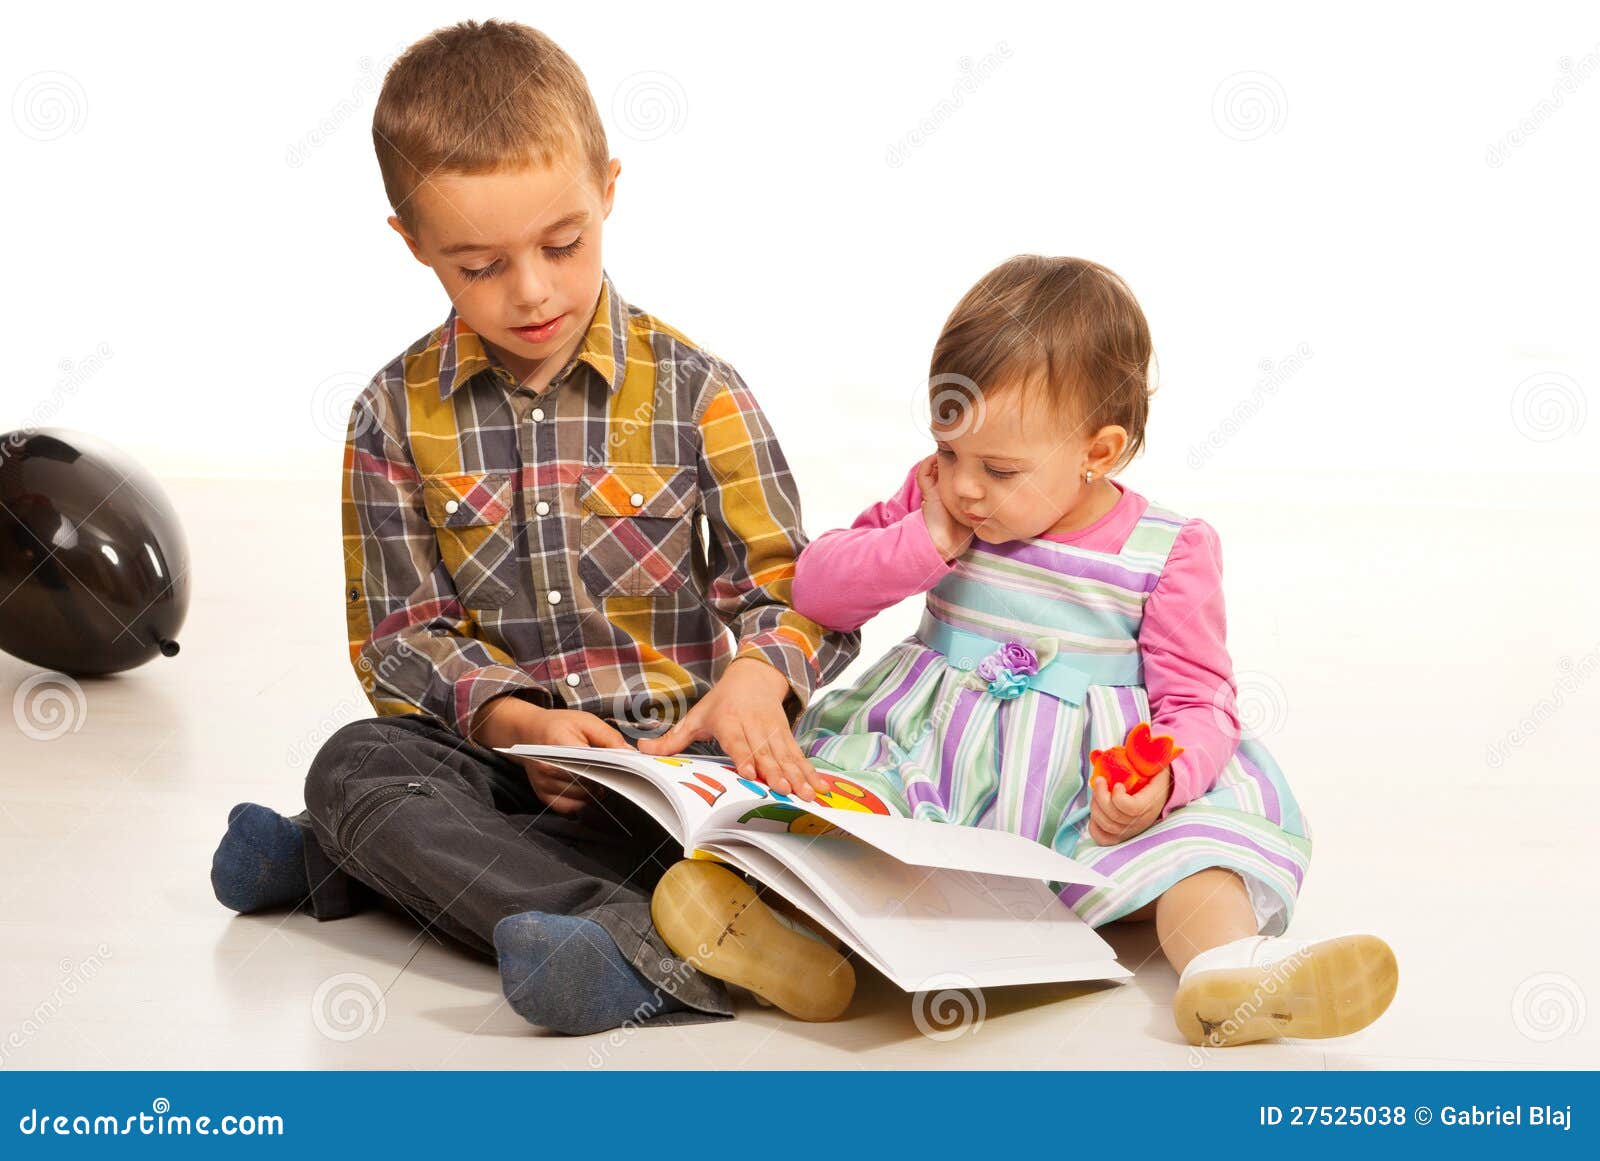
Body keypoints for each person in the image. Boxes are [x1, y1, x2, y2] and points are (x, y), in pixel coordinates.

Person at [209, 18, 860, 1035]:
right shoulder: (391, 412)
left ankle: (354, 862)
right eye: (478, 265)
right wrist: (518, 728)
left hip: (672, 779)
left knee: (799, 829)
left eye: (563, 244)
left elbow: (802, 592)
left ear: (607, 187)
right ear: (412, 242)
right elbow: (398, 640)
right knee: (357, 762)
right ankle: (629, 944)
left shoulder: (698, 393)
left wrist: (755, 676)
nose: (532, 290)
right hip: (502, 769)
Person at [778, 254, 1398, 1048]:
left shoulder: (1166, 551)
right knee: (838, 816)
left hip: (1084, 802)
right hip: (936, 766)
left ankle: (1228, 969)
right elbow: (818, 587)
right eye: (949, 449)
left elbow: (1200, 701)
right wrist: (920, 540)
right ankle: (793, 943)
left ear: (1098, 453)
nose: (965, 486)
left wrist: (1164, 779)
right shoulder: (935, 496)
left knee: (1201, 856)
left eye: (999, 469)